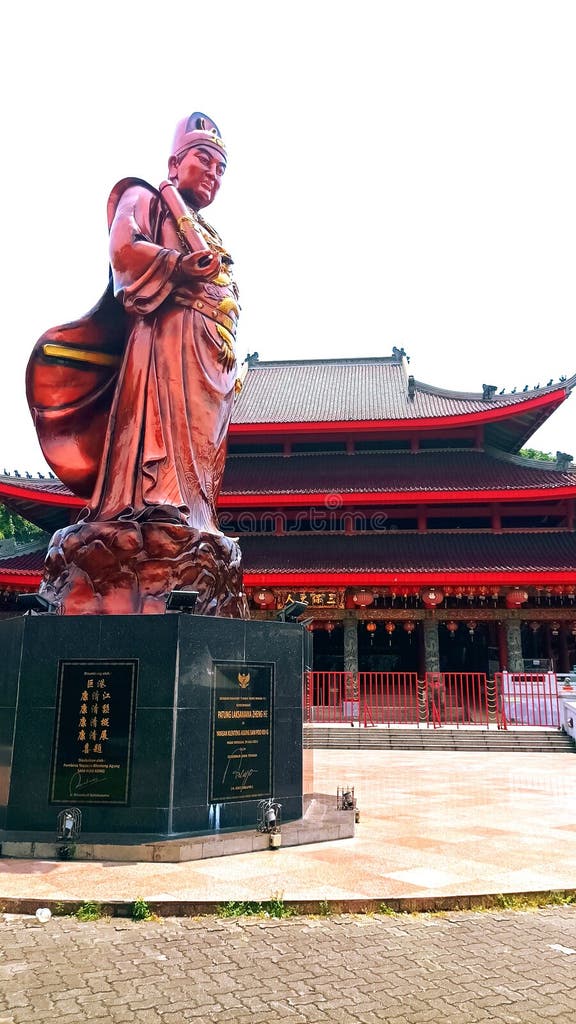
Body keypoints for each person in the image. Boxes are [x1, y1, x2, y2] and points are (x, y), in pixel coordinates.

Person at [28, 112, 239, 536]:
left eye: (221, 168)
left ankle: (198, 517)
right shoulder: (147, 198)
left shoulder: (203, 227)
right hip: (167, 340)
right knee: (162, 436)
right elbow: (124, 247)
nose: (213, 174)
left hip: (212, 352)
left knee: (202, 452)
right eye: (203, 159)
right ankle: (152, 502)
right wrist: (177, 265)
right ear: (174, 163)